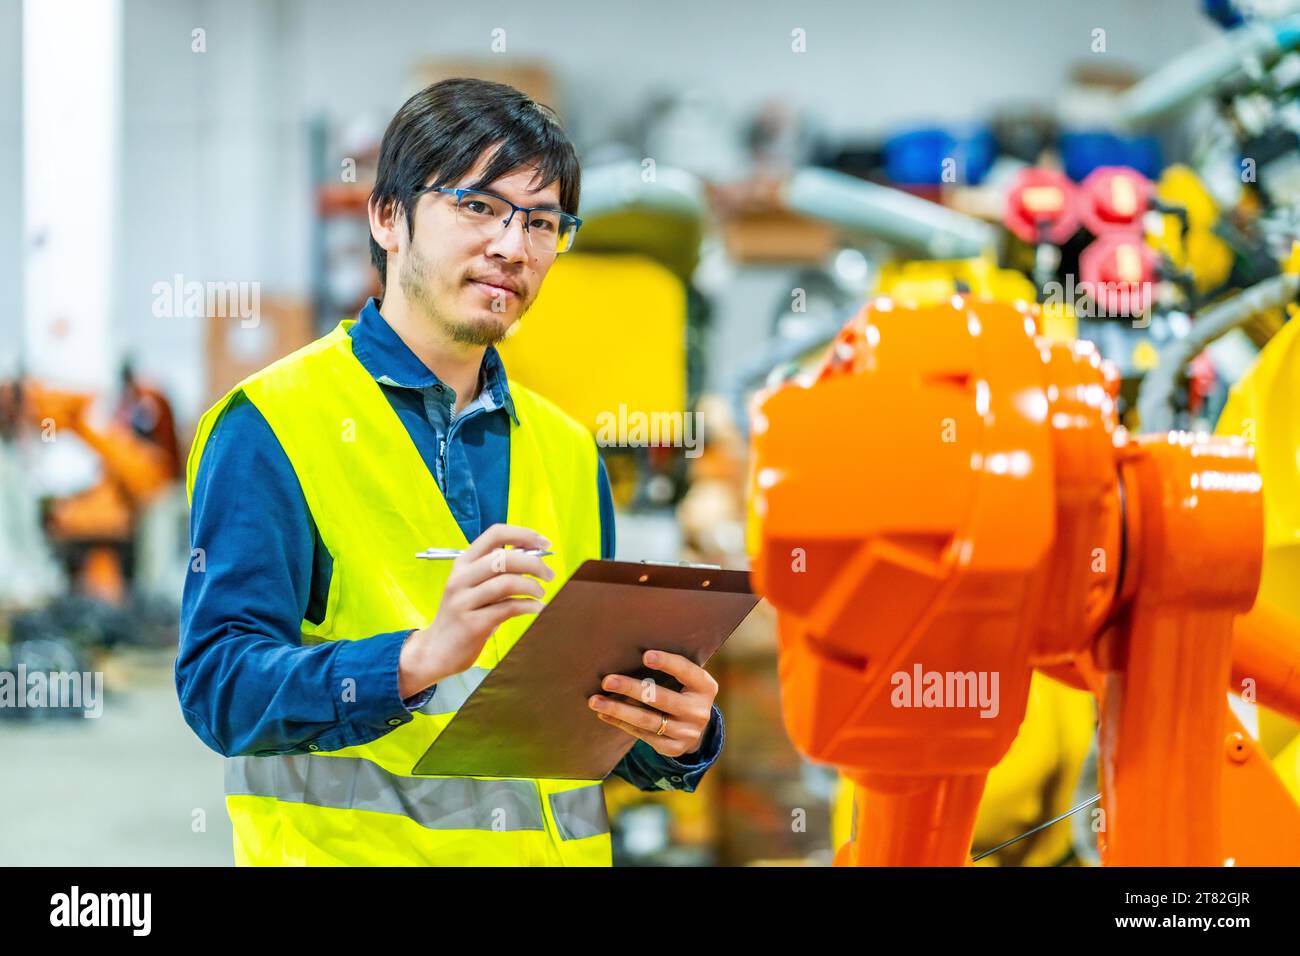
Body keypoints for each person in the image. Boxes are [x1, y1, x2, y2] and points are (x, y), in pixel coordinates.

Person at [177, 78, 724, 866]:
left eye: (542, 222)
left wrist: (676, 731)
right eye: (478, 206)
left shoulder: (568, 449)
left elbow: (583, 716)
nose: (514, 246)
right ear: (388, 216)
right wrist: (412, 661)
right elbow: (220, 687)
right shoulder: (272, 424)